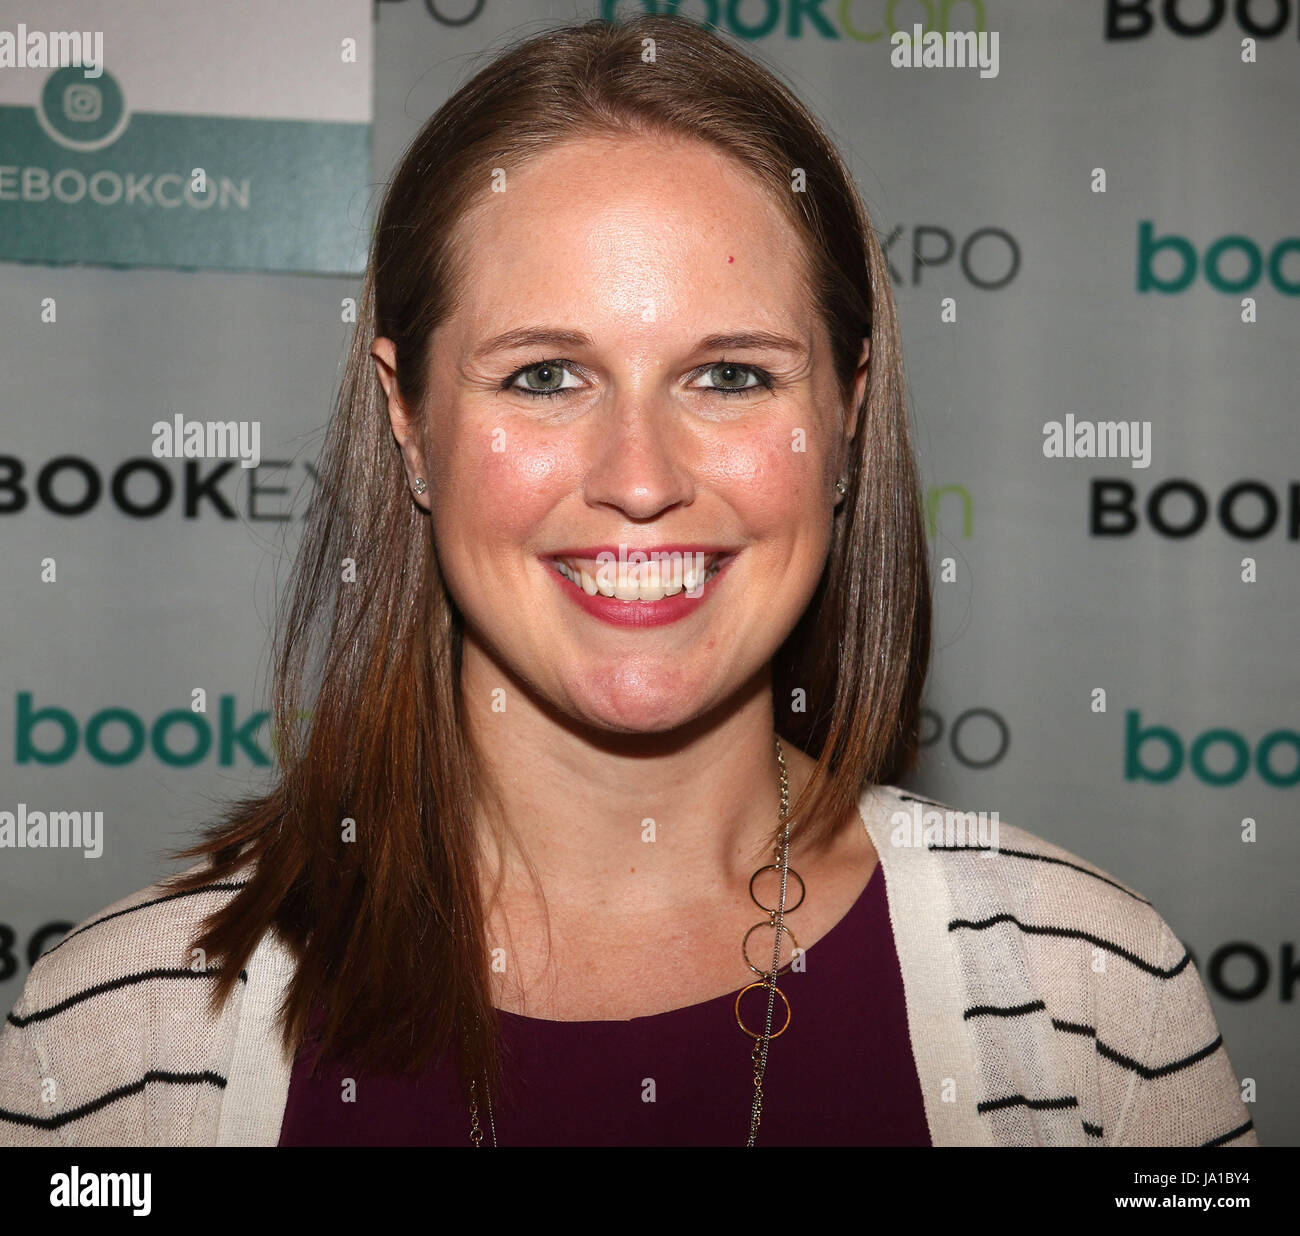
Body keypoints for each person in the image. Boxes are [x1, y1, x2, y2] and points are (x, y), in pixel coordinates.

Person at [0, 14, 1256, 1148]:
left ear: (846, 415)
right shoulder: (127, 1041)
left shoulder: (1087, 1001)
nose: (640, 477)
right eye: (545, 374)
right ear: (407, 419)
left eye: (731, 375)